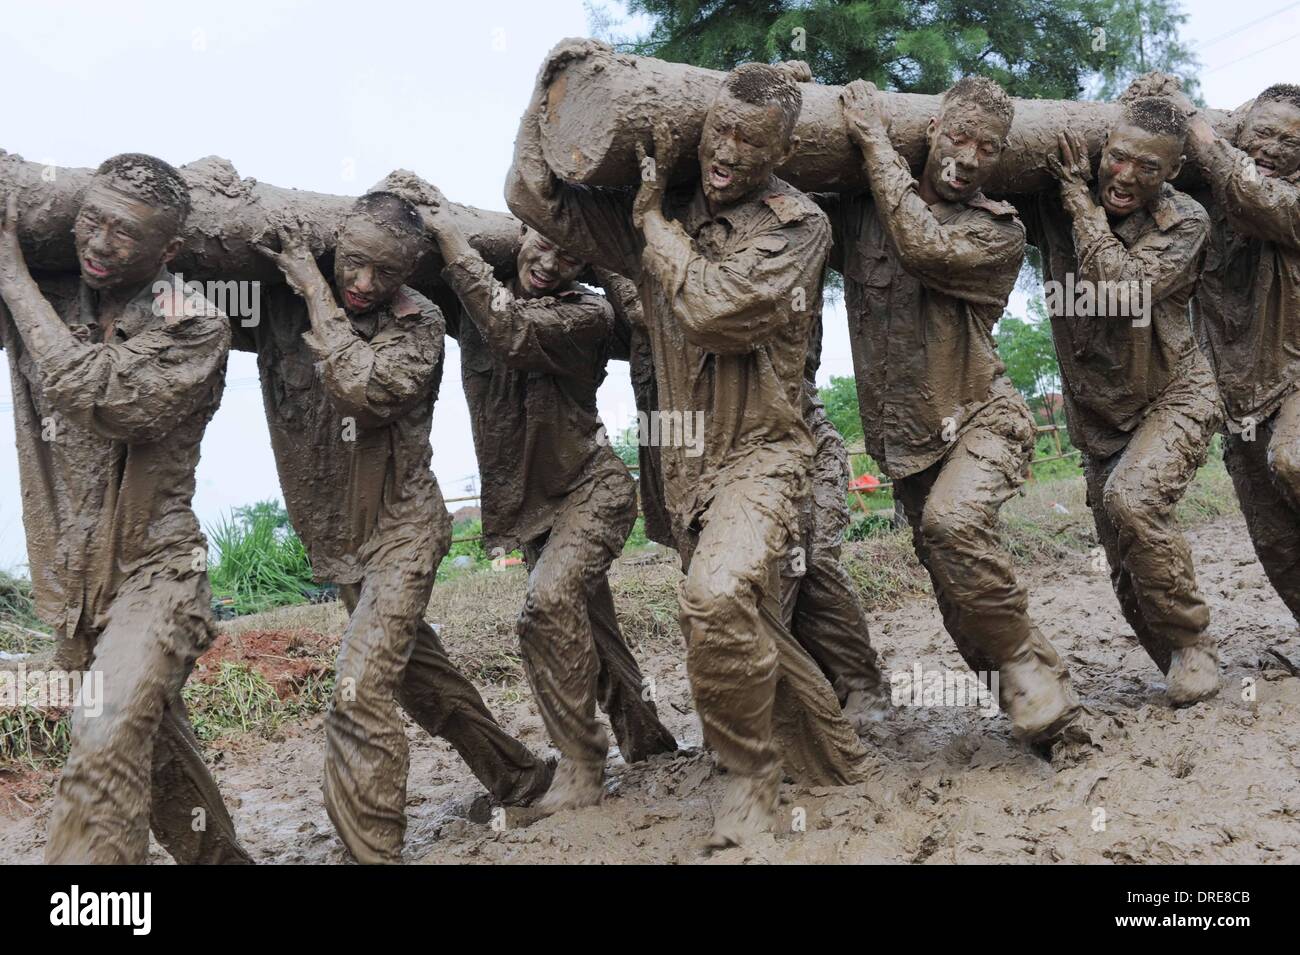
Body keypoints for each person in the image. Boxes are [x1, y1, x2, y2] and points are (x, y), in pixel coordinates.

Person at [507, 40, 868, 848]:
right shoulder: (667, 205)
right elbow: (528, 192)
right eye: (719, 134)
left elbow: (713, 309)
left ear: (782, 154)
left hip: (763, 457)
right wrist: (547, 91)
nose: (727, 154)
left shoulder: (798, 226)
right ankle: (833, 752)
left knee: (715, 594)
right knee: (741, 617)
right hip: (687, 467)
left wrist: (649, 229)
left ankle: (747, 780)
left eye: (750, 143)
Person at [253, 192, 553, 863]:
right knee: (425, 687)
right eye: (353, 265)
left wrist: (313, 286)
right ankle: (519, 774)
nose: (362, 284)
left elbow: (362, 385)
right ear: (338, 250)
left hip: (404, 532)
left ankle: (374, 853)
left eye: (383, 276)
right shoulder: (279, 306)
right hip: (347, 545)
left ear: (406, 279)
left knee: (358, 693)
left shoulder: (420, 324)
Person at [390, 178, 679, 813]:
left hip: (590, 489)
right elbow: (392, 270)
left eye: (570, 256)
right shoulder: (468, 293)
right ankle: (651, 745)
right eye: (542, 246)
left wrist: (448, 234)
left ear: (588, 266)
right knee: (593, 634)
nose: (549, 264)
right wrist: (411, 200)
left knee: (546, 608)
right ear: (519, 234)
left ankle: (580, 767)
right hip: (532, 507)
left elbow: (511, 331)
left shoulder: (587, 314)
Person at [0, 156, 249, 864]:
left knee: (103, 729)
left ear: (168, 252)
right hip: (71, 591)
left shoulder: (195, 320)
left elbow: (101, 396)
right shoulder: (57, 296)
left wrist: (13, 278)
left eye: (124, 232)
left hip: (158, 571)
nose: (99, 243)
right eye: (90, 220)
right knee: (159, 764)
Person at [818, 77, 1080, 741]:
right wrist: (791, 92)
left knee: (953, 524)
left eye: (987, 147)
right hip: (905, 442)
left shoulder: (999, 232)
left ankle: (1025, 663)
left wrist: (875, 141)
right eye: (958, 135)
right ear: (931, 129)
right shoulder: (860, 211)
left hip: (981, 416)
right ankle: (1051, 723)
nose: (968, 154)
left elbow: (924, 246)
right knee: (958, 597)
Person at [1020, 95, 1221, 705]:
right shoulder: (1056, 195)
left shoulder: (1184, 221)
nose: (1127, 176)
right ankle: (1173, 660)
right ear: (1101, 149)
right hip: (1099, 413)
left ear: (1172, 175)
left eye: (1149, 168)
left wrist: (1080, 204)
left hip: (1173, 395)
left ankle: (1194, 644)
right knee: (1123, 563)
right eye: (1118, 157)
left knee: (1132, 499)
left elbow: (1125, 288)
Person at [1185, 82, 1300, 623]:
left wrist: (1196, 127)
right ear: (1243, 129)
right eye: (1262, 132)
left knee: (1293, 459)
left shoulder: (1287, 199)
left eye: (1287, 140)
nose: (1271, 147)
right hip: (1236, 396)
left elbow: (1256, 196)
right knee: (1273, 536)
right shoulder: (1203, 200)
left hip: (1295, 376)